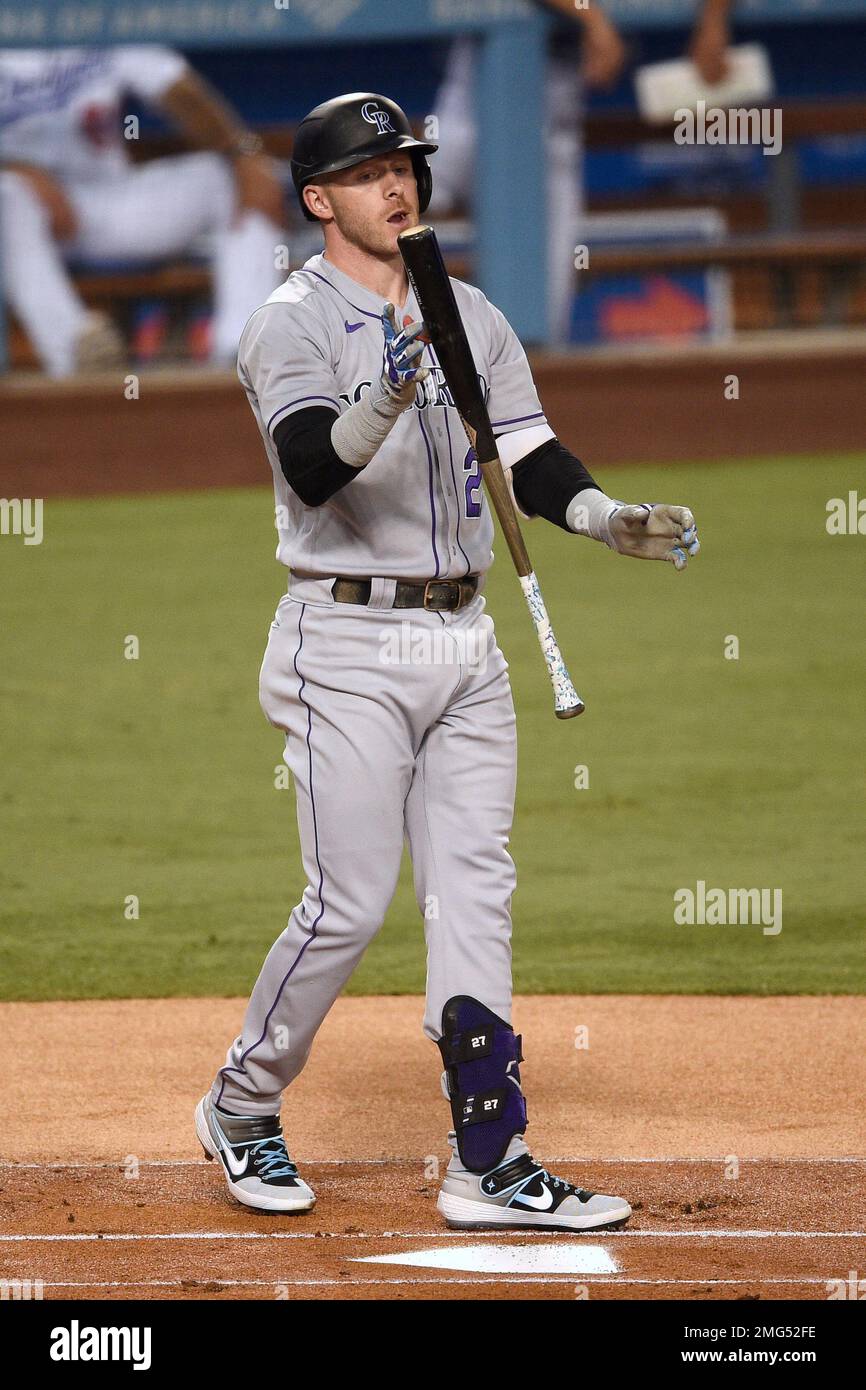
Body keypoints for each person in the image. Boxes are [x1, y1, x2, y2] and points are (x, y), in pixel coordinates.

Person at [195, 92, 700, 1231]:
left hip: (464, 642)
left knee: (476, 894)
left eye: (407, 164)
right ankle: (241, 1103)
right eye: (371, 170)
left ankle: (490, 1156)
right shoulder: (290, 321)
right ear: (320, 199)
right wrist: (393, 376)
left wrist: (598, 513)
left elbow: (520, 445)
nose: (398, 184)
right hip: (346, 644)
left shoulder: (467, 310)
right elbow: (314, 466)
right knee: (348, 902)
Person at [430, 0, 734, 343]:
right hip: (474, 104)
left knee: (545, 312)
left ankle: (515, 382)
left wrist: (713, 22)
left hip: (557, 123)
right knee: (400, 208)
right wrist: (595, 20)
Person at [0, 45, 286, 375]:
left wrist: (244, 154)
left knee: (233, 178)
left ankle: (242, 349)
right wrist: (14, 169)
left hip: (105, 207)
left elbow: (176, 88)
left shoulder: (90, 22)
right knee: (8, 195)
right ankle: (76, 351)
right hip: (20, 225)